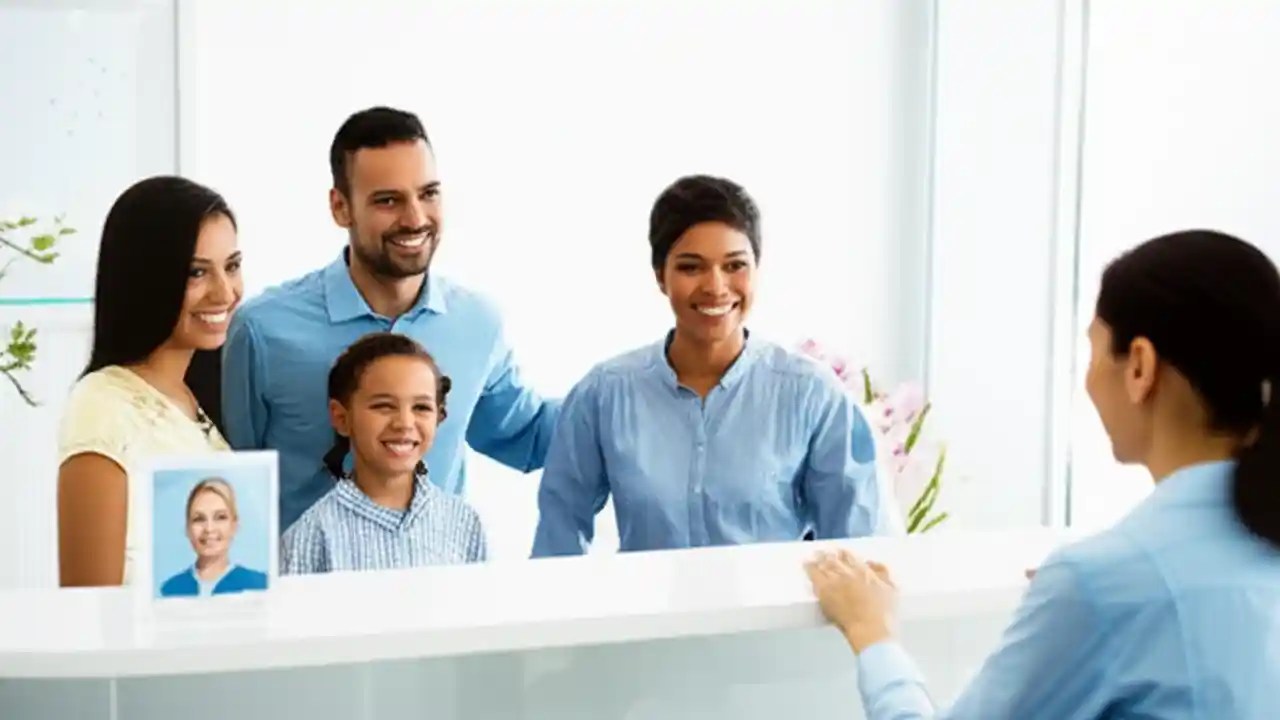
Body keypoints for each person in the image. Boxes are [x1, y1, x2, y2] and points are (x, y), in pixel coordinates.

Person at [806, 229, 1280, 718]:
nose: (1089, 379)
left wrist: (872, 632)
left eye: (1093, 352)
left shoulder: (1106, 580)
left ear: (1140, 366)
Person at [222, 106, 559, 533]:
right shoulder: (262, 331)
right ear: (340, 207)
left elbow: (525, 434)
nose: (415, 218)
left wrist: (623, 391)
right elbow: (233, 484)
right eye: (388, 200)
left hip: (440, 573)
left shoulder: (477, 323)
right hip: (307, 573)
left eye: (428, 194)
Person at [531, 174, 889, 558]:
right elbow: (558, 541)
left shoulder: (813, 395)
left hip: (777, 600)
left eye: (735, 265)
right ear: (660, 276)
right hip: (647, 600)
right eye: (691, 267)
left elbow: (863, 550)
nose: (716, 286)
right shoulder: (603, 394)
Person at [57, 175, 242, 587]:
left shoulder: (199, 394)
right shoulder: (102, 406)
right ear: (145, 279)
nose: (225, 292)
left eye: (232, 266)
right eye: (197, 272)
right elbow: (86, 601)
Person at [281, 332, 487, 574]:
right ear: (341, 417)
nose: (404, 423)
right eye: (384, 406)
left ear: (438, 416)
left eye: (421, 407)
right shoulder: (310, 537)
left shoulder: (464, 524)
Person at [160, 477, 268, 596]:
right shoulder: (170, 589)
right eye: (199, 519)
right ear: (188, 528)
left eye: (220, 517)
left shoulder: (260, 585)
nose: (209, 529)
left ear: (234, 525)